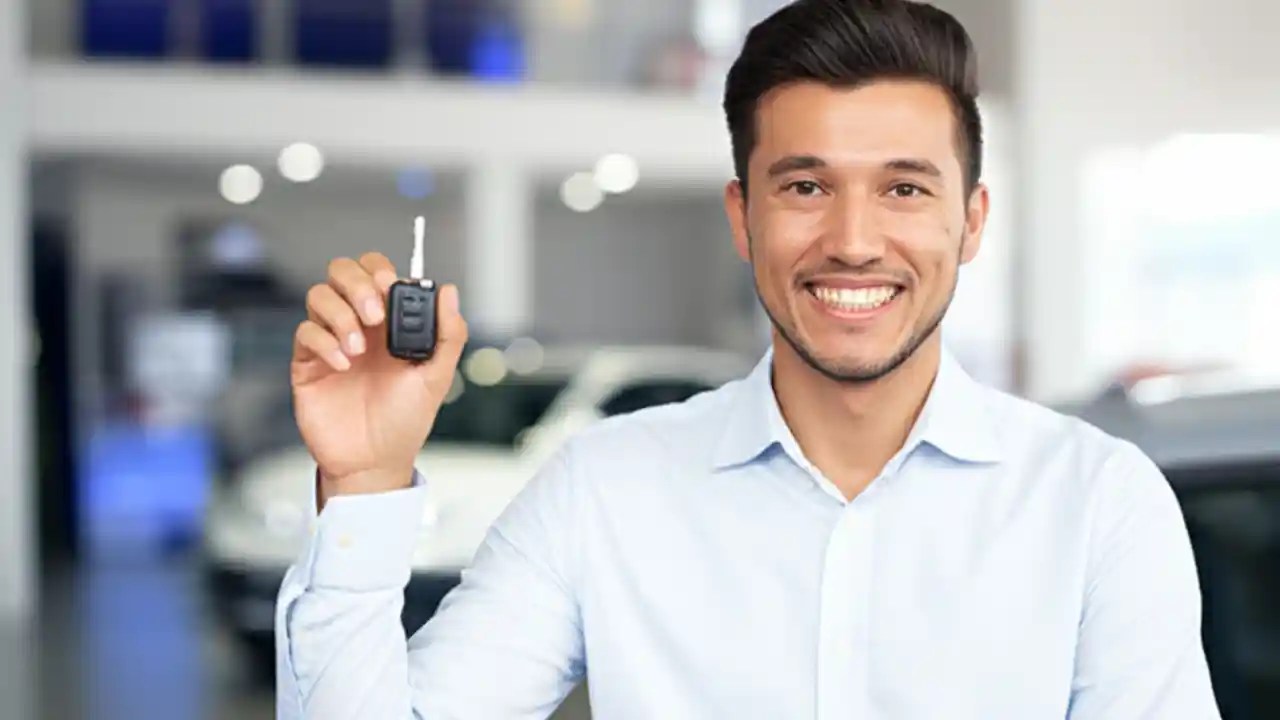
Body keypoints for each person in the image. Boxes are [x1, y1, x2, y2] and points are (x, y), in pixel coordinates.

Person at [276, 0, 1221, 717]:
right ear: (744, 216)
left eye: (903, 187)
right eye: (805, 185)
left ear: (969, 221)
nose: (854, 240)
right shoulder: (606, 488)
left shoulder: (1099, 503)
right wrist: (364, 481)